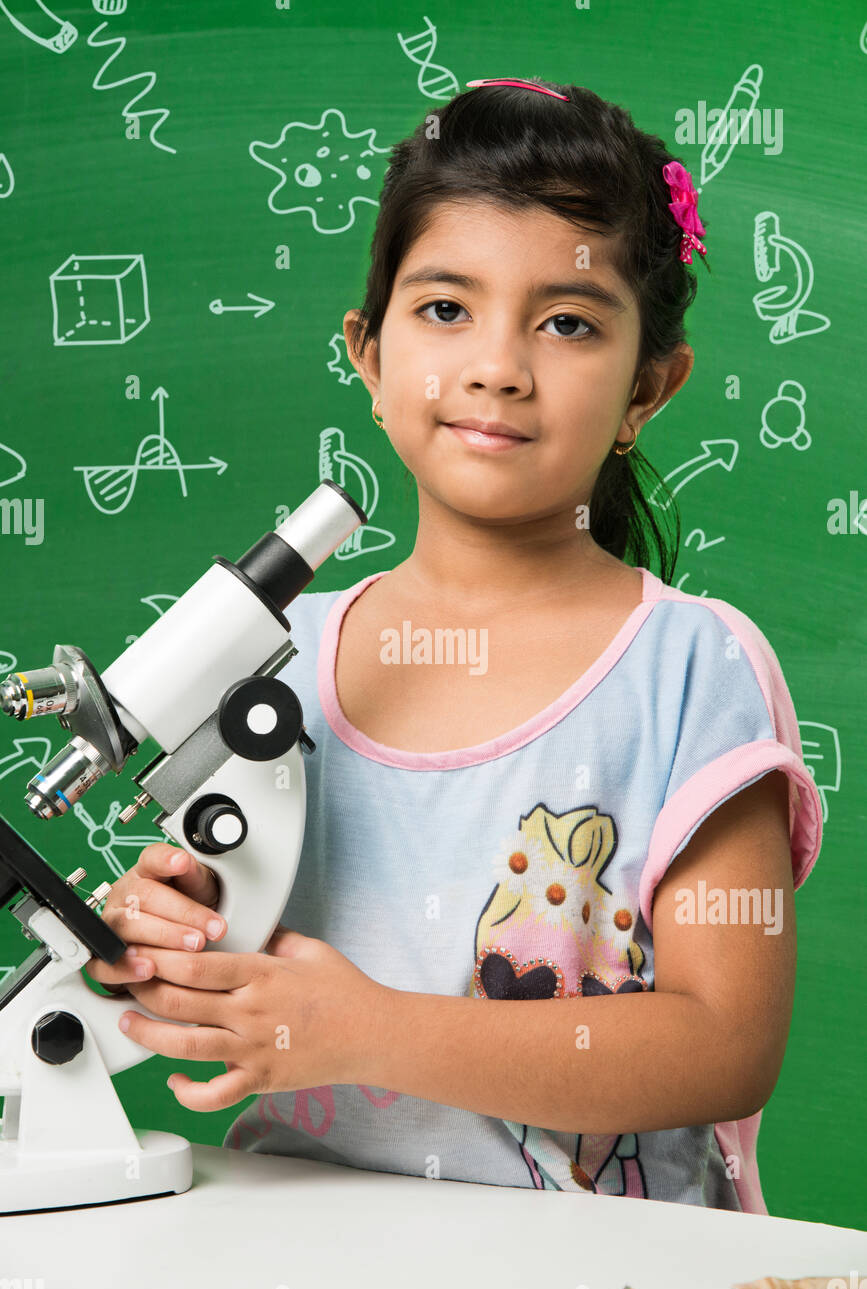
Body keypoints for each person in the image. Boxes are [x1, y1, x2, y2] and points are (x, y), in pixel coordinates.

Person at [87, 79, 822, 1212]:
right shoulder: (279, 666)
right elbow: (234, 977)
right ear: (369, 358)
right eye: (445, 309)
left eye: (568, 320)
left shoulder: (693, 671)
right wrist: (169, 943)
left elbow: (725, 1046)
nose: (498, 366)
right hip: (303, 1257)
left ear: (649, 389)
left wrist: (371, 1032)